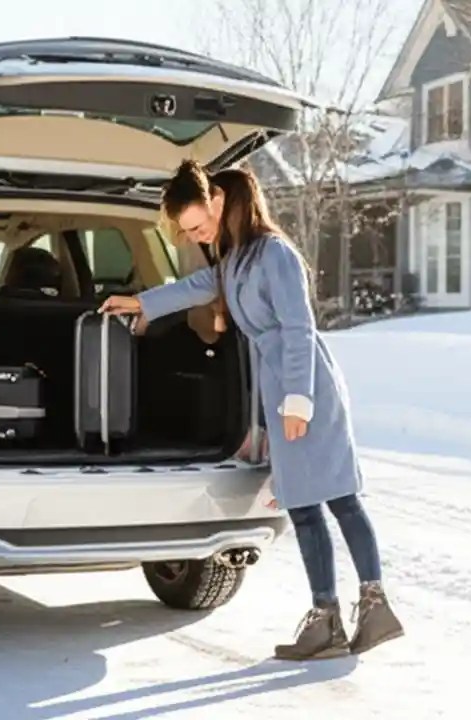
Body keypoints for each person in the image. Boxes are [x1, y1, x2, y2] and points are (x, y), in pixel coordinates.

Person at [99, 161, 404, 661]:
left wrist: (299, 400)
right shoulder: (236, 259)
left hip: (305, 386)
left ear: (217, 200)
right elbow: (194, 288)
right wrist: (139, 303)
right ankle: (325, 619)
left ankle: (374, 604)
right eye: (188, 231)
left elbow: (299, 329)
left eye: (197, 225)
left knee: (340, 497)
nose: (196, 235)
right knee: (303, 506)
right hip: (277, 384)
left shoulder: (275, 253)